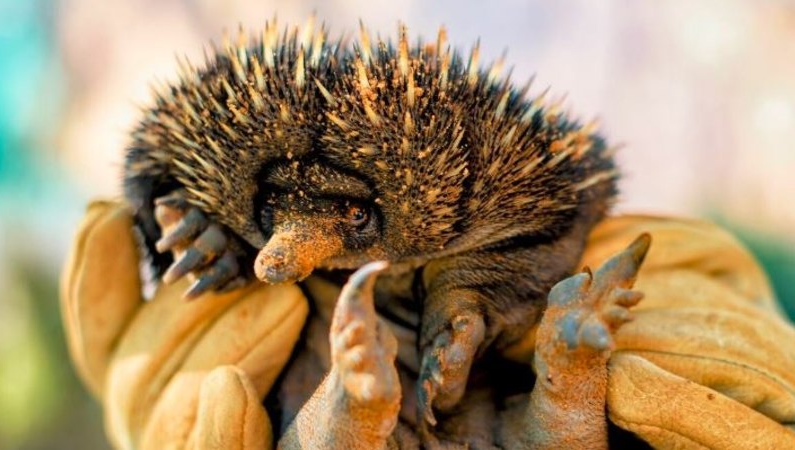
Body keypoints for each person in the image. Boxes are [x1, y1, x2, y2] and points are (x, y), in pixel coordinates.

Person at [61, 201, 795, 449]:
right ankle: (567, 364)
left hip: (326, 330)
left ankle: (357, 397)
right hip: (489, 368)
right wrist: (570, 391)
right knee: (547, 425)